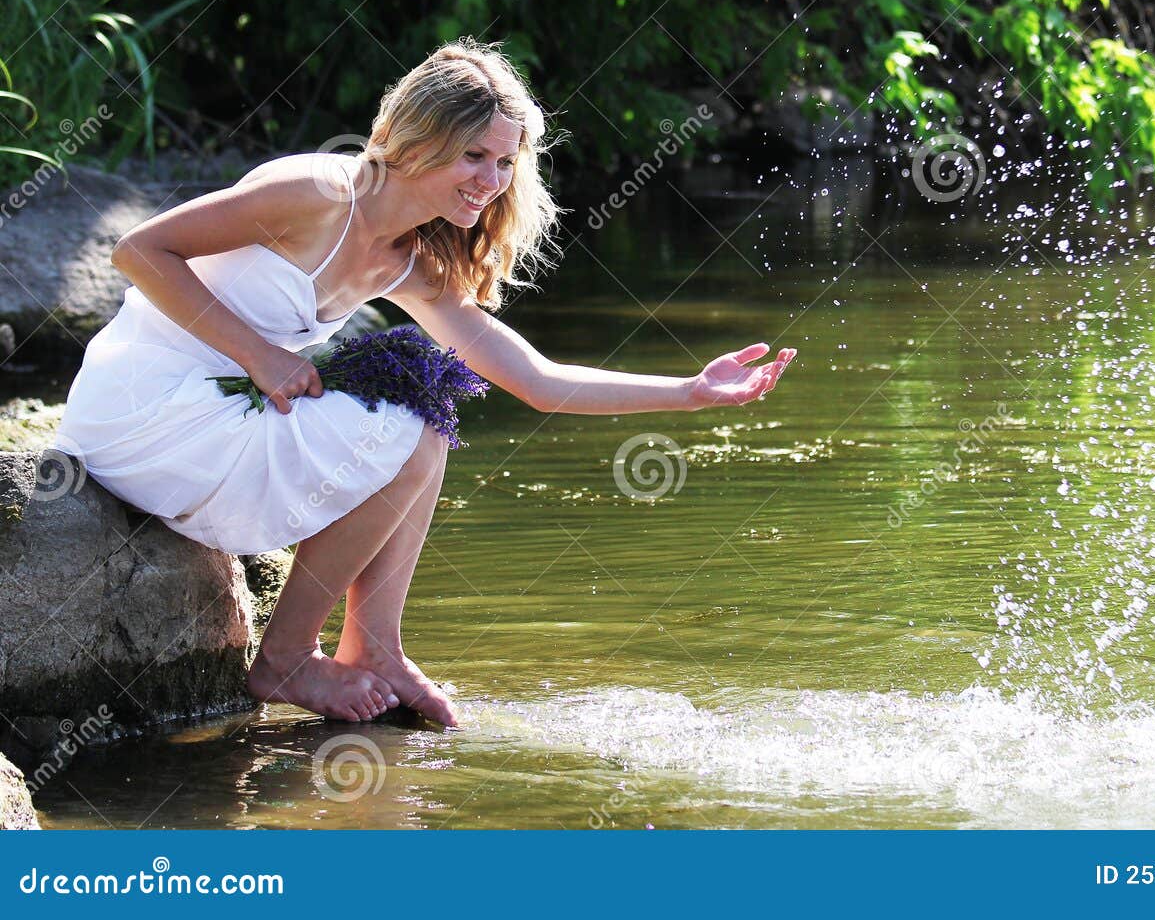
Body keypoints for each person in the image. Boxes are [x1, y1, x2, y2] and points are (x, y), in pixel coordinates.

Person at [54, 38, 796, 729]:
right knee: (405, 427)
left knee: (429, 426)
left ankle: (374, 646)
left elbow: (533, 379)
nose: (492, 180)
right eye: (474, 155)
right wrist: (261, 355)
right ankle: (283, 662)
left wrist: (688, 391)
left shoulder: (411, 261)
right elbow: (140, 250)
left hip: (214, 425)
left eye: (505, 162)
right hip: (142, 413)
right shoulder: (316, 191)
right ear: (418, 140)